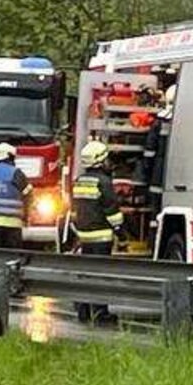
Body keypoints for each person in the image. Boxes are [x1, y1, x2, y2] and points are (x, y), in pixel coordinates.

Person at [69, 138, 124, 322]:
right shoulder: (104, 182)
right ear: (100, 161)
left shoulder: (79, 181)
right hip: (101, 236)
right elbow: (111, 210)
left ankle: (83, 311)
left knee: (86, 273)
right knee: (100, 275)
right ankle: (100, 313)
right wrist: (121, 233)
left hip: (84, 236)